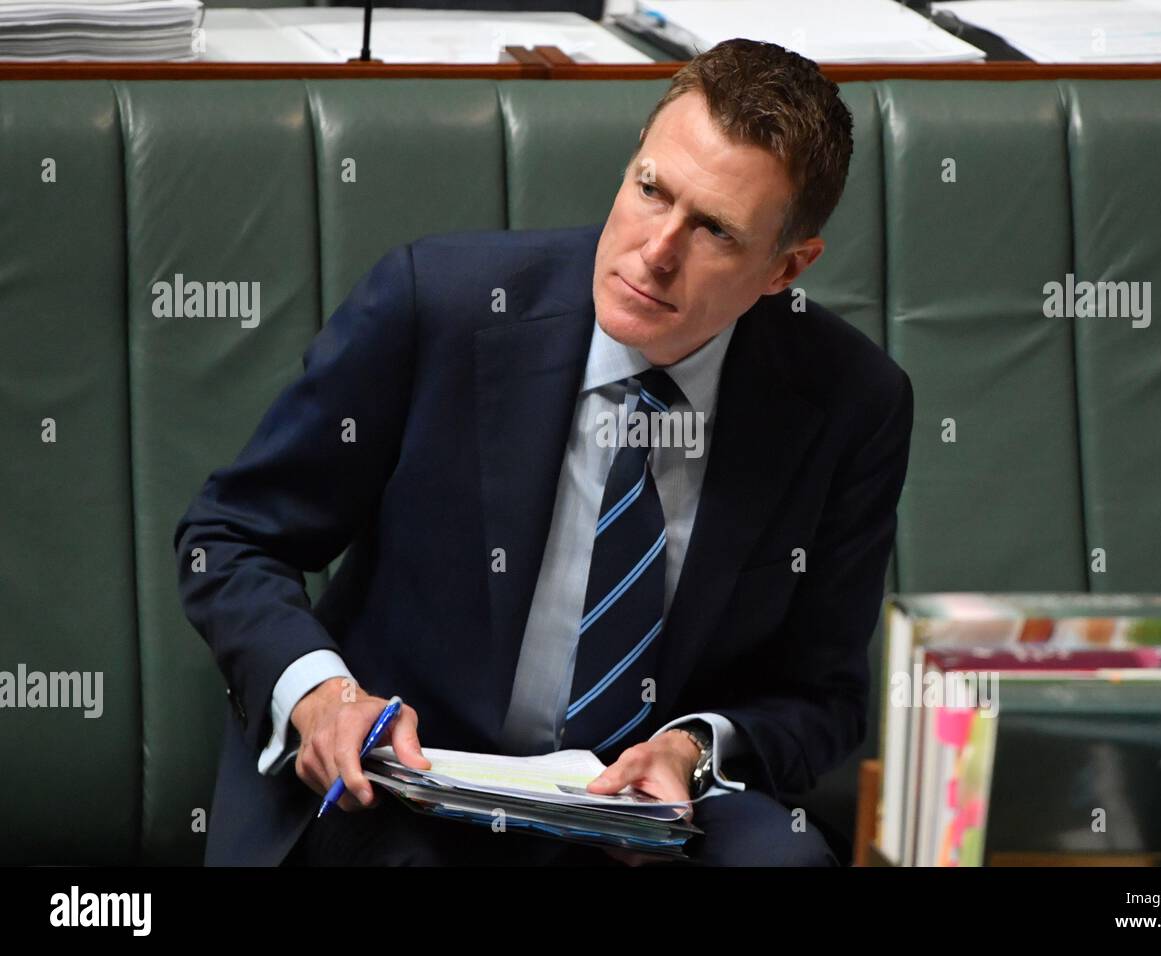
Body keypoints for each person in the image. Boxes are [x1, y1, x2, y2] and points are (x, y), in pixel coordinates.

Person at [174, 37, 913, 867]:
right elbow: (231, 536)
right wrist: (323, 696)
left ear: (785, 269)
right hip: (410, 776)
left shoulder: (850, 404)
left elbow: (824, 696)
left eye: (713, 230)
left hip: (642, 815)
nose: (656, 250)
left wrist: (691, 752)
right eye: (650, 190)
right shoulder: (439, 306)